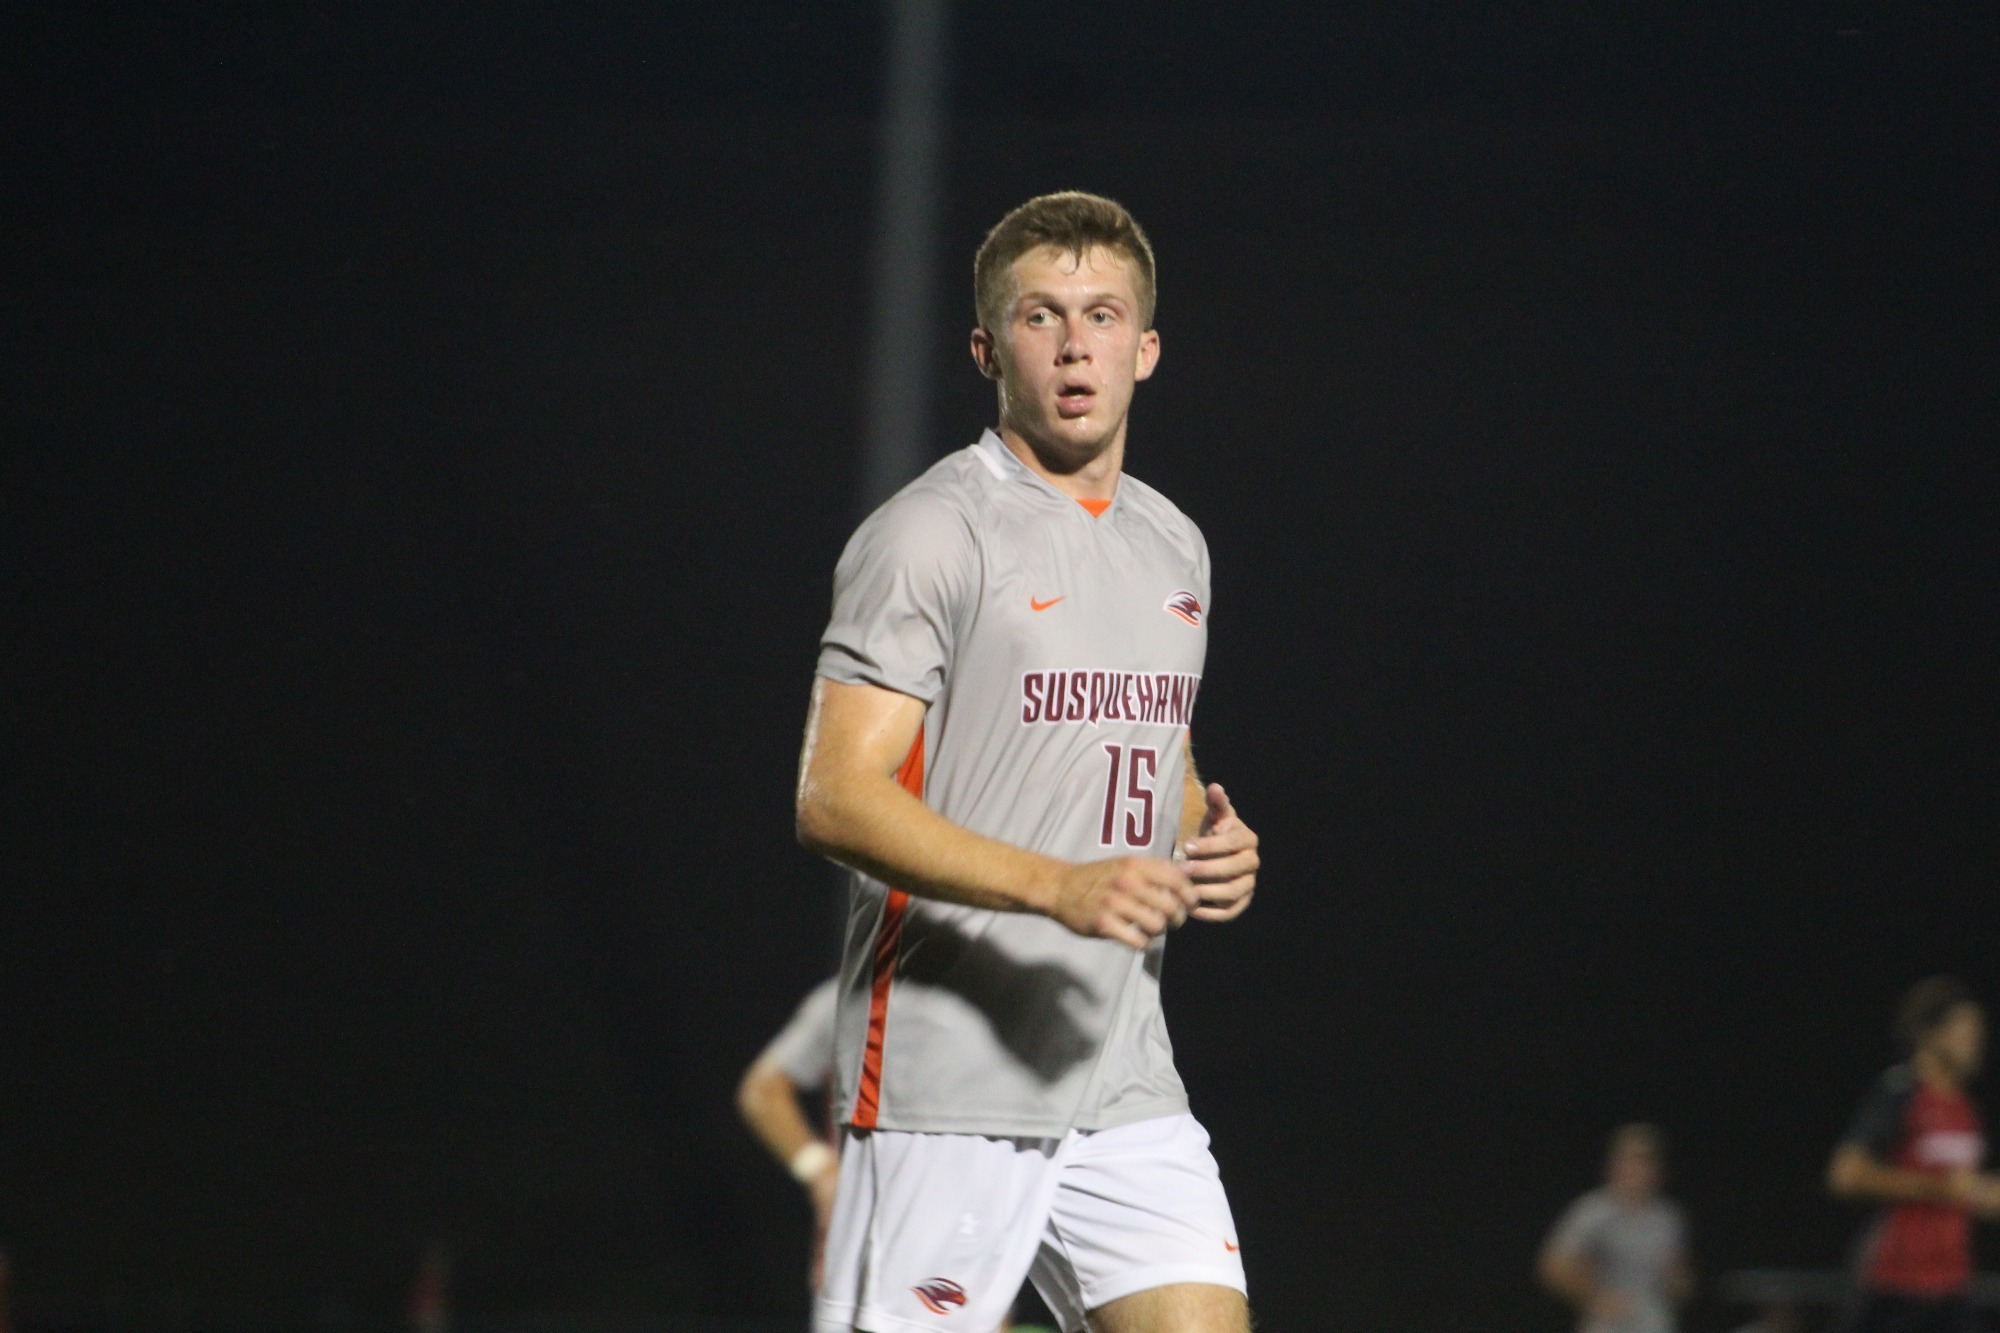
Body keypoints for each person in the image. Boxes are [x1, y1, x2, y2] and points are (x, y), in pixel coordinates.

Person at [794, 191, 1260, 1333]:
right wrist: (1059, 884)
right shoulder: (929, 533)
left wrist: (1208, 833)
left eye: (1101, 316)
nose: (1072, 344)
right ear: (985, 346)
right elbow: (834, 795)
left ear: (1144, 350)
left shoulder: (1173, 540)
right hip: (944, 1087)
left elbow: (1154, 737)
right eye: (1040, 315)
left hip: (1121, 1078)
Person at [1827, 976, 2000, 1333]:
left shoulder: (1966, 1109)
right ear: (1930, 1034)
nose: (1975, 1041)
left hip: (1952, 1284)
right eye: (1965, 1030)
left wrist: (1985, 1194)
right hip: (1895, 1281)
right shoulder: (1899, 1093)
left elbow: (1962, 1189)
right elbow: (1845, 1175)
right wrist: (1937, 1188)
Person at [1539, 1123, 1695, 1333]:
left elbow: (1680, 1281)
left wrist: (1680, 1282)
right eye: (1631, 1159)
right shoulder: (1591, 1211)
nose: (1638, 1168)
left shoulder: (1668, 1218)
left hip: (1654, 1321)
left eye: (1647, 1160)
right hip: (1608, 1323)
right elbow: (1552, 1266)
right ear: (1614, 1164)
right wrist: (1593, 1297)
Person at [738, 977, 843, 1289]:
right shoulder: (853, 997)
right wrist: (821, 1171)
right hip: (860, 1263)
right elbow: (762, 1092)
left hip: (970, 1240)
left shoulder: (992, 993)